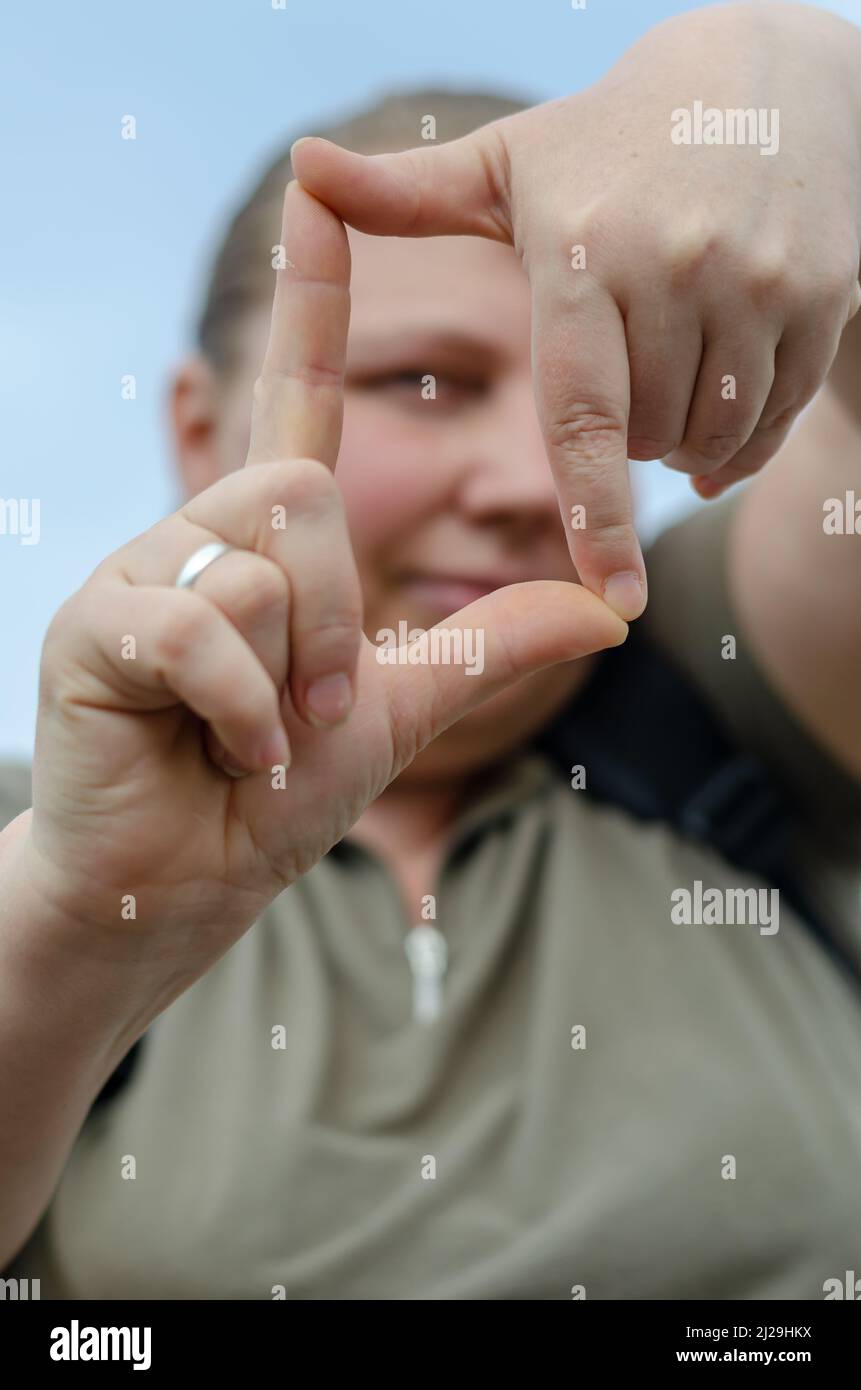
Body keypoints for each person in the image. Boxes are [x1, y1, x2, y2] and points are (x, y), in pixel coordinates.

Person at [1, 1, 860, 1300]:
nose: (533, 478)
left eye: (597, 394)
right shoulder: (39, 835)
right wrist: (68, 926)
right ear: (195, 427)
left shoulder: (728, 675)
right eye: (426, 383)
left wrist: (793, 70)